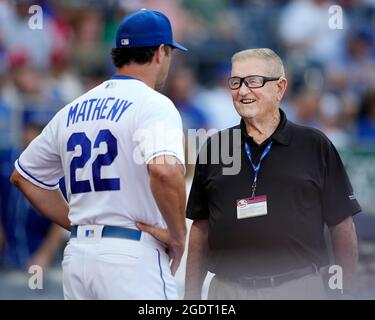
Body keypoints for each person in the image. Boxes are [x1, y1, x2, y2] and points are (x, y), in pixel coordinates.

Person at [10, 9, 187, 300]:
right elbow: (164, 170)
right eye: (169, 53)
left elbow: (23, 177)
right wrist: (178, 236)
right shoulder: (155, 104)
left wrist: (82, 222)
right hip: (132, 256)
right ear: (160, 52)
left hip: (79, 256)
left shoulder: (73, 107)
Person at [184, 48, 361, 300]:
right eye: (236, 82)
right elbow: (201, 228)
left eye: (253, 81)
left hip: (297, 288)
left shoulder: (314, 145)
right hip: (227, 290)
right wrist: (191, 299)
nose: (243, 91)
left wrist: (346, 293)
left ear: (280, 88)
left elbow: (342, 226)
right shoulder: (216, 147)